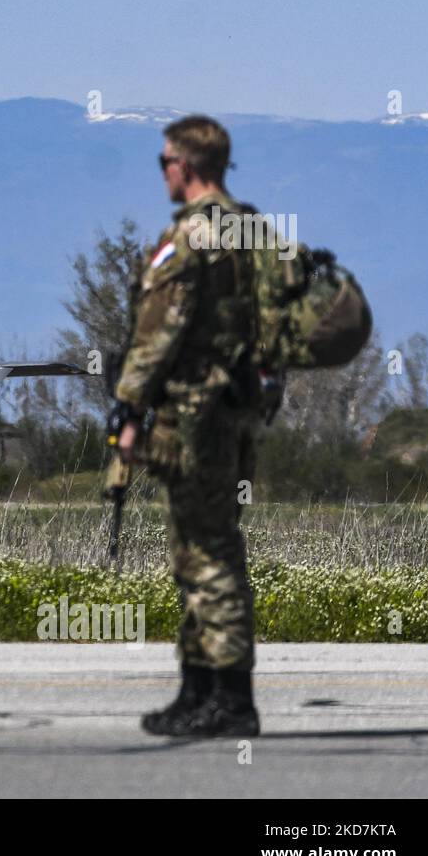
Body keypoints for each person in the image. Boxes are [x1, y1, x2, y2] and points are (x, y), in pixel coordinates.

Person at [113, 115, 261, 737]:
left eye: (165, 161)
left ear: (189, 165)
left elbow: (161, 330)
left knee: (208, 554)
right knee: (198, 548)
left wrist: (129, 406)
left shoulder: (195, 235)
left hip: (193, 415)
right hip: (232, 412)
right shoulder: (248, 229)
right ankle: (197, 691)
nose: (163, 171)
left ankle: (229, 699)